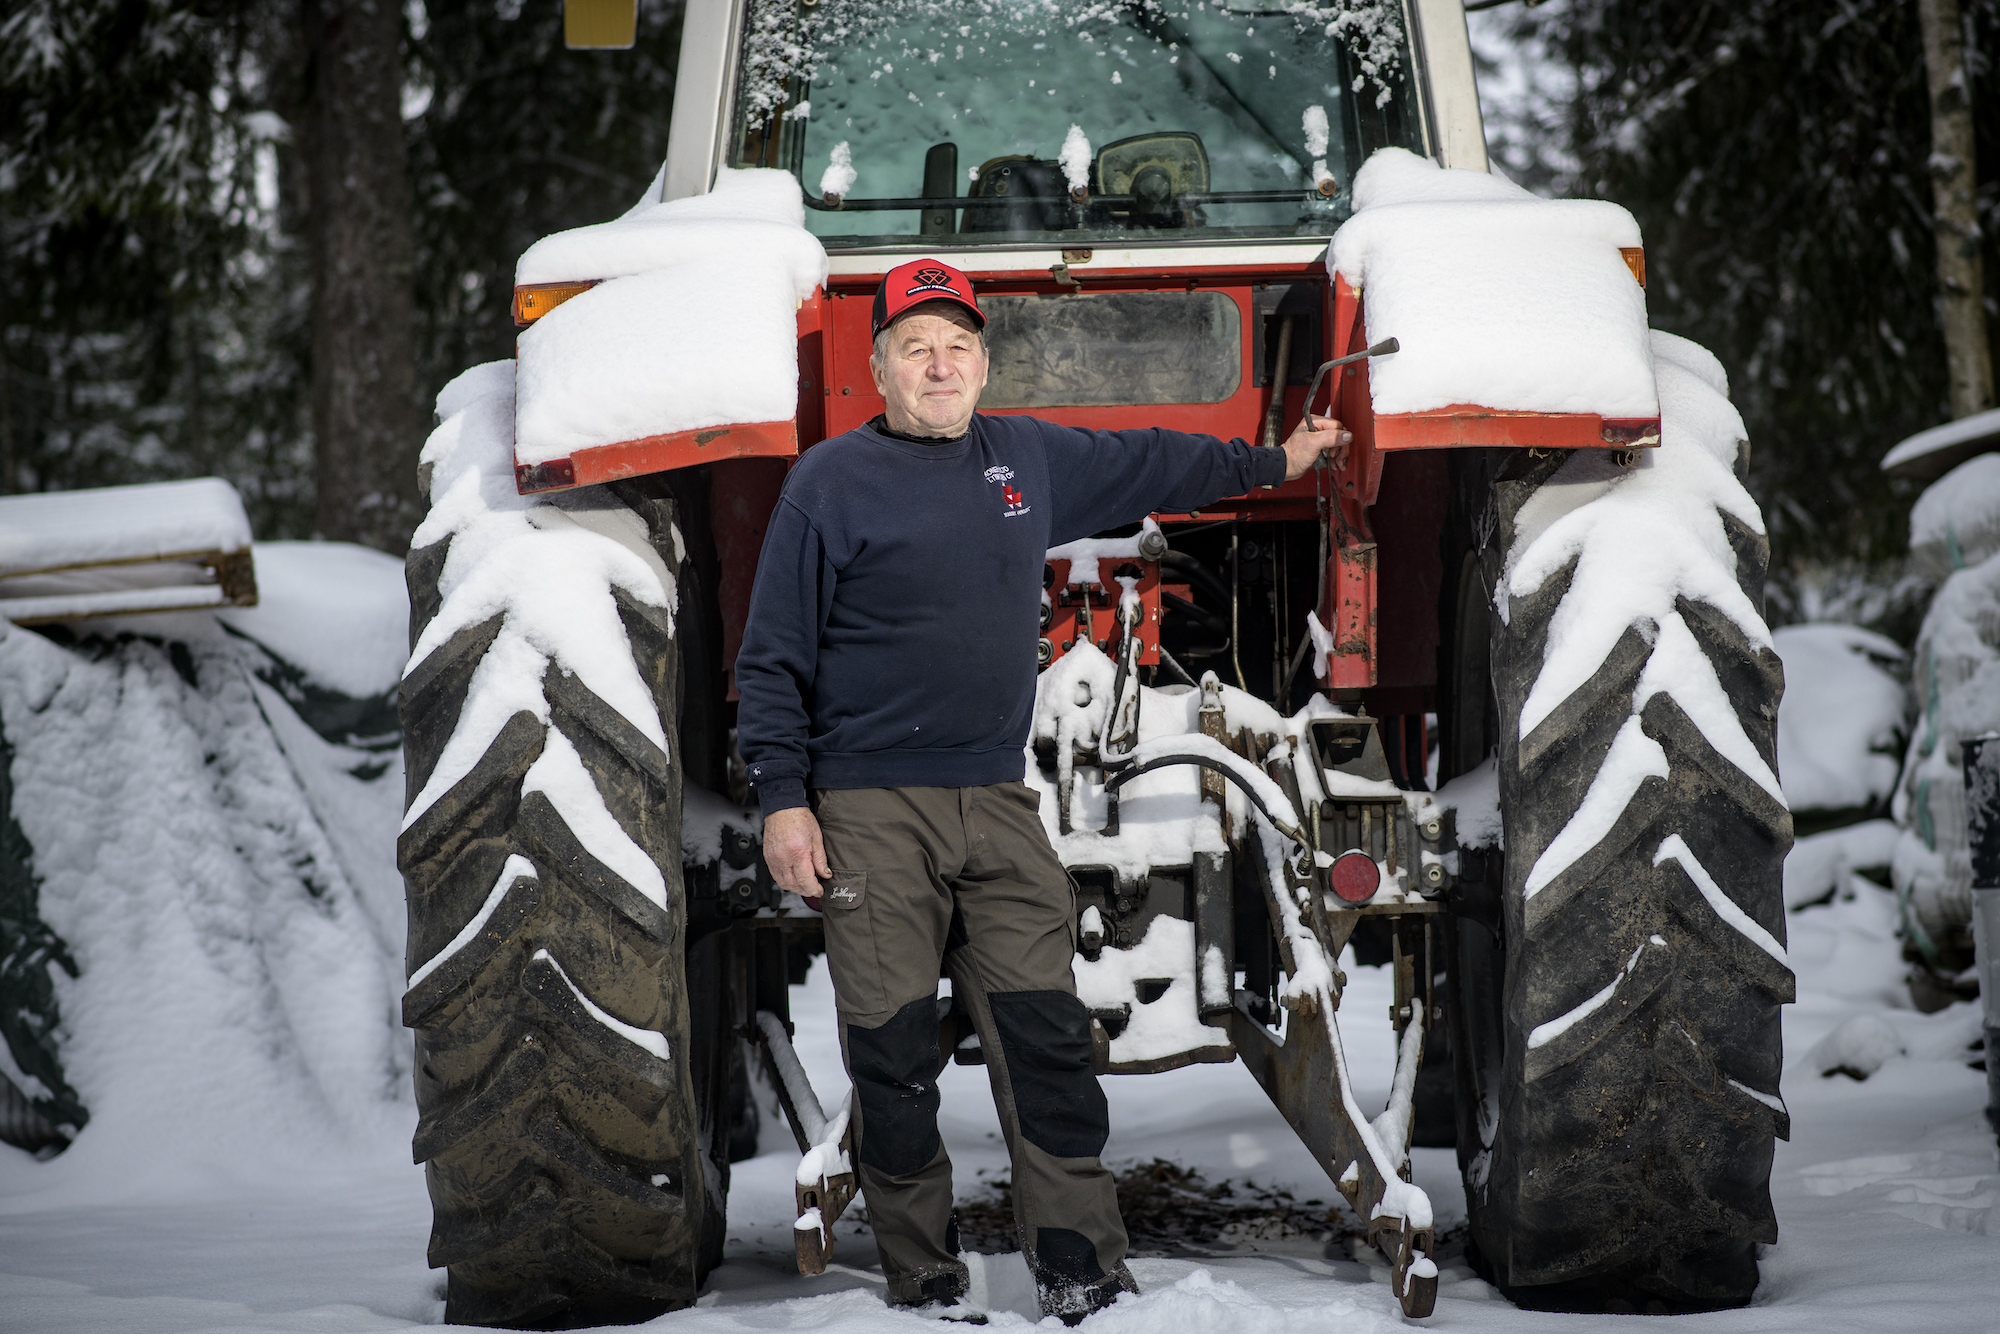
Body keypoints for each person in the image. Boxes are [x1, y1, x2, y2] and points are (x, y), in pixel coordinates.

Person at [734, 257, 1350, 1325]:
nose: (939, 365)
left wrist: (1273, 459)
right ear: (878, 366)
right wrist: (784, 800)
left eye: (957, 346)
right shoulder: (827, 484)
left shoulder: (1022, 456)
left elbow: (1153, 457)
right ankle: (923, 1278)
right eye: (916, 347)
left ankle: (1080, 1267)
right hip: (869, 806)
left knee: (1050, 1043)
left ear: (982, 363)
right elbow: (772, 657)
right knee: (891, 1059)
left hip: (996, 798)